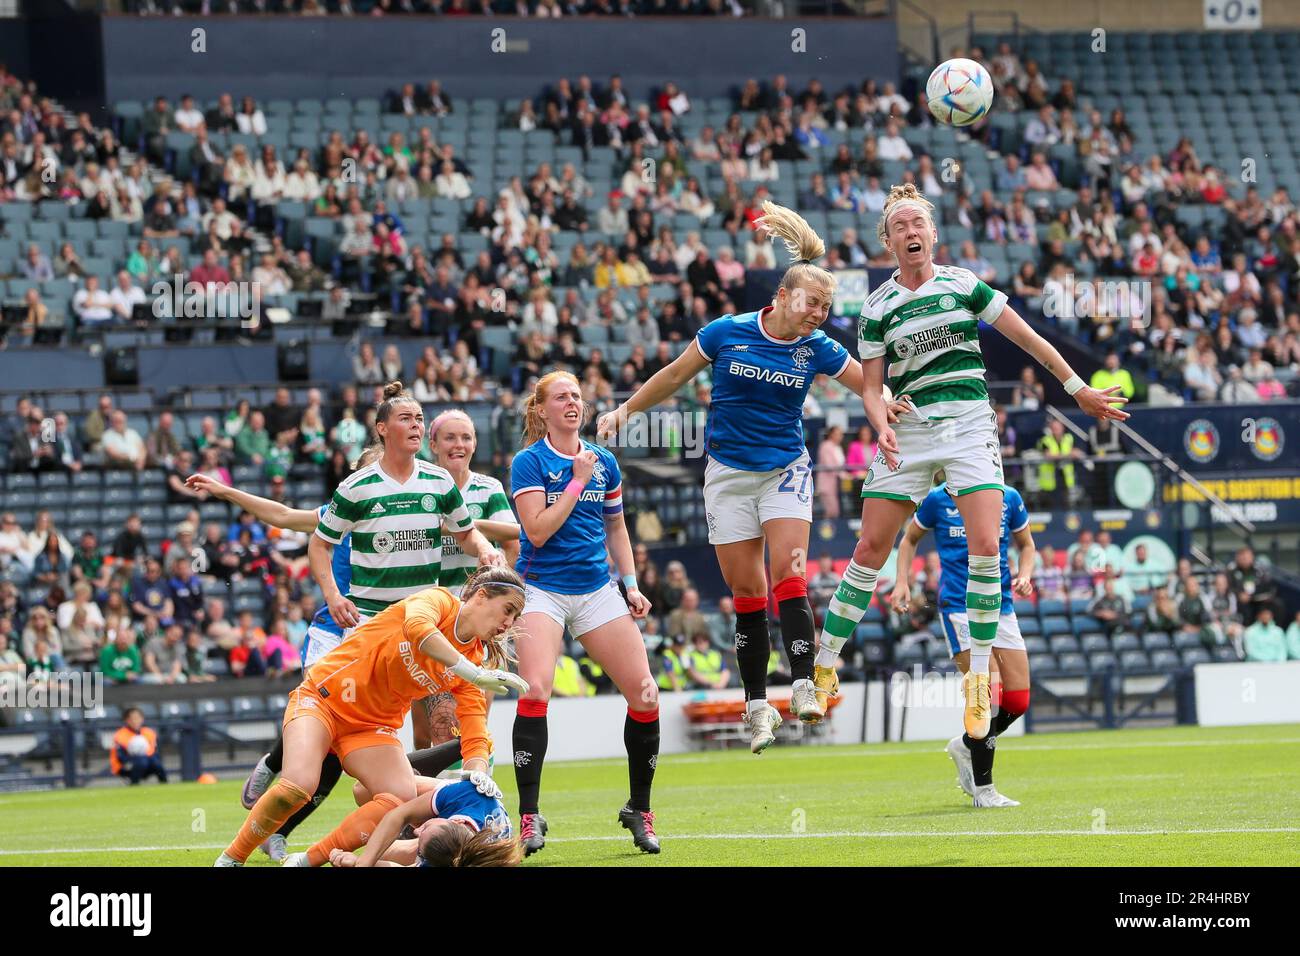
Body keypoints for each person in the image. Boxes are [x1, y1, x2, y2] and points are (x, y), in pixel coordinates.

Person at [811, 183, 1128, 750]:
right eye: (900, 225)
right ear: (887, 241)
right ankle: (824, 667)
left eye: (919, 223)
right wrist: (881, 421)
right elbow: (872, 386)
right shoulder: (878, 307)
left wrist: (1075, 386)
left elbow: (1028, 339)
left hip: (966, 429)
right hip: (907, 434)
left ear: (933, 234)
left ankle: (978, 682)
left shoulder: (963, 285)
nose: (911, 231)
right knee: (868, 551)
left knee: (986, 544)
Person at [597, 201, 865, 754]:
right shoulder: (727, 332)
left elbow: (867, 384)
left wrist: (895, 406)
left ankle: (804, 687)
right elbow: (674, 374)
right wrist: (627, 411)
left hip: (785, 470)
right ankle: (756, 704)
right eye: (812, 303)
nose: (819, 313)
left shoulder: (817, 347)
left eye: (826, 306)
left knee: (790, 574)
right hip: (727, 476)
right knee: (748, 592)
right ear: (783, 297)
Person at [214, 570, 529, 866]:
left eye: (515, 617)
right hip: (324, 698)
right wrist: (471, 672)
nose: (508, 623)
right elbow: (419, 629)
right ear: (481, 595)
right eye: (507, 610)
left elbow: (474, 728)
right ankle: (231, 858)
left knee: (399, 797)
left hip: (371, 728)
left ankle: (308, 859)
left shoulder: (473, 659)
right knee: (299, 786)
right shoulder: (439, 601)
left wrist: (478, 775)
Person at [186, 444, 383, 861]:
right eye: (368, 473)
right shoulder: (340, 510)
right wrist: (227, 492)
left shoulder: (410, 516)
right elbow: (280, 515)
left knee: (339, 746)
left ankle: (279, 829)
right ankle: (274, 763)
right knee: (320, 720)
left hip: (376, 636)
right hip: (333, 631)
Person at [511, 370, 662, 857]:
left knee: (644, 694)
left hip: (597, 588)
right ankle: (529, 817)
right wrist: (575, 483)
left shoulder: (606, 462)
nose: (573, 403)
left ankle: (639, 808)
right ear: (542, 411)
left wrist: (631, 584)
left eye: (577, 395)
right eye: (561, 397)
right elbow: (536, 532)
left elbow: (617, 528)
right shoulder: (529, 463)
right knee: (535, 690)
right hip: (541, 590)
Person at [890, 476, 1034, 807]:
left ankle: (967, 743)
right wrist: (902, 581)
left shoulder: (1008, 496)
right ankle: (985, 791)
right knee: (988, 693)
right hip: (958, 606)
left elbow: (1026, 544)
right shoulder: (938, 500)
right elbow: (909, 539)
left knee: (1018, 699)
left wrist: (1025, 575)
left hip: (1002, 604)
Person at [414, 409, 521, 753]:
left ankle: (474, 791)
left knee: (475, 718)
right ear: (432, 444)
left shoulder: (488, 488)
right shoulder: (419, 488)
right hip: (432, 615)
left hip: (480, 616)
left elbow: (514, 537)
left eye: (466, 438)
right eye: (450, 438)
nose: (459, 445)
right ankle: (423, 798)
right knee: (427, 727)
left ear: (475, 444)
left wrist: (469, 531)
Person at [283, 773, 517, 868]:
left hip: (445, 835)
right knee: (363, 790)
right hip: (449, 793)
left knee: (379, 849)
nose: (416, 831)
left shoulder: (447, 860)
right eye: (424, 828)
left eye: (419, 839)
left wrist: (355, 861)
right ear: (454, 822)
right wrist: (364, 864)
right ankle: (408, 771)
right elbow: (399, 814)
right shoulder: (469, 796)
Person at [110, 707, 167, 784]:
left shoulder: (149, 732)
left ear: (142, 719)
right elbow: (120, 756)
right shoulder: (120, 734)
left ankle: (164, 784)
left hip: (146, 762)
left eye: (137, 718)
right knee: (142, 761)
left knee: (156, 763)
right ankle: (134, 784)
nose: (135, 721)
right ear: (126, 720)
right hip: (125, 764)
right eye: (132, 718)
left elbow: (153, 751)